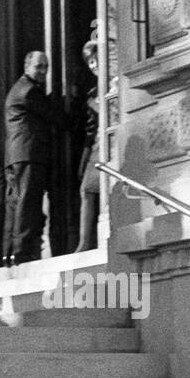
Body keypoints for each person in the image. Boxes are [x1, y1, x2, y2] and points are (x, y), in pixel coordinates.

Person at [3, 50, 64, 264]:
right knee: (27, 203)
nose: (43, 72)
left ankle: (11, 252)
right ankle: (24, 253)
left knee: (17, 203)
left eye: (45, 67)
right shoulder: (29, 91)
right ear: (26, 66)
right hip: (28, 154)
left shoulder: (20, 88)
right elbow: (56, 116)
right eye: (38, 66)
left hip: (17, 155)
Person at [75, 41, 102, 252]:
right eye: (90, 62)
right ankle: (84, 243)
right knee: (86, 190)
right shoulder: (92, 92)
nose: (93, 65)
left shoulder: (114, 83)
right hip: (97, 146)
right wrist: (84, 158)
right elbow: (90, 129)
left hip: (113, 142)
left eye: (96, 59)